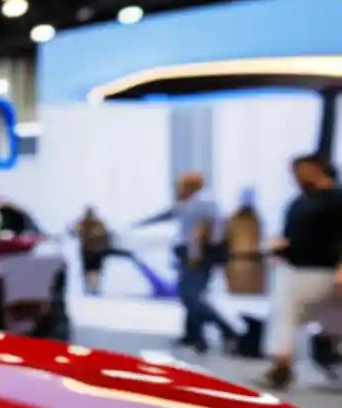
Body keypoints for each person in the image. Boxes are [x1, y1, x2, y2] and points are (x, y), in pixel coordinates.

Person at [259, 155, 342, 389]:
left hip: (325, 269)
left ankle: (285, 363)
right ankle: (281, 365)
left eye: (299, 172)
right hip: (296, 268)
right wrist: (280, 246)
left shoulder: (336, 200)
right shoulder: (298, 202)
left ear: (316, 169)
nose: (295, 178)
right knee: (284, 313)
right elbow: (292, 234)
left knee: (331, 321)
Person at [145, 172, 241, 353]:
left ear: (190, 186)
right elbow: (168, 214)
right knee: (189, 295)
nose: (177, 190)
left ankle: (227, 329)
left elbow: (218, 227)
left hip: (198, 256)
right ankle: (194, 336)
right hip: (187, 254)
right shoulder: (188, 203)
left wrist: (206, 250)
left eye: (180, 186)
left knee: (191, 297)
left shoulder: (204, 202)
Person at [224, 188, 266, 295]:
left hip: (250, 262)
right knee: (239, 300)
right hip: (238, 261)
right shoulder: (234, 219)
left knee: (252, 300)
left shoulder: (255, 219)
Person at [73, 206, 110, 295]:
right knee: (95, 271)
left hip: (87, 250)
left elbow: (75, 232)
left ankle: (88, 288)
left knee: (88, 271)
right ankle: (94, 289)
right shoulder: (99, 224)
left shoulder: (82, 223)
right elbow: (105, 236)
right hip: (97, 251)